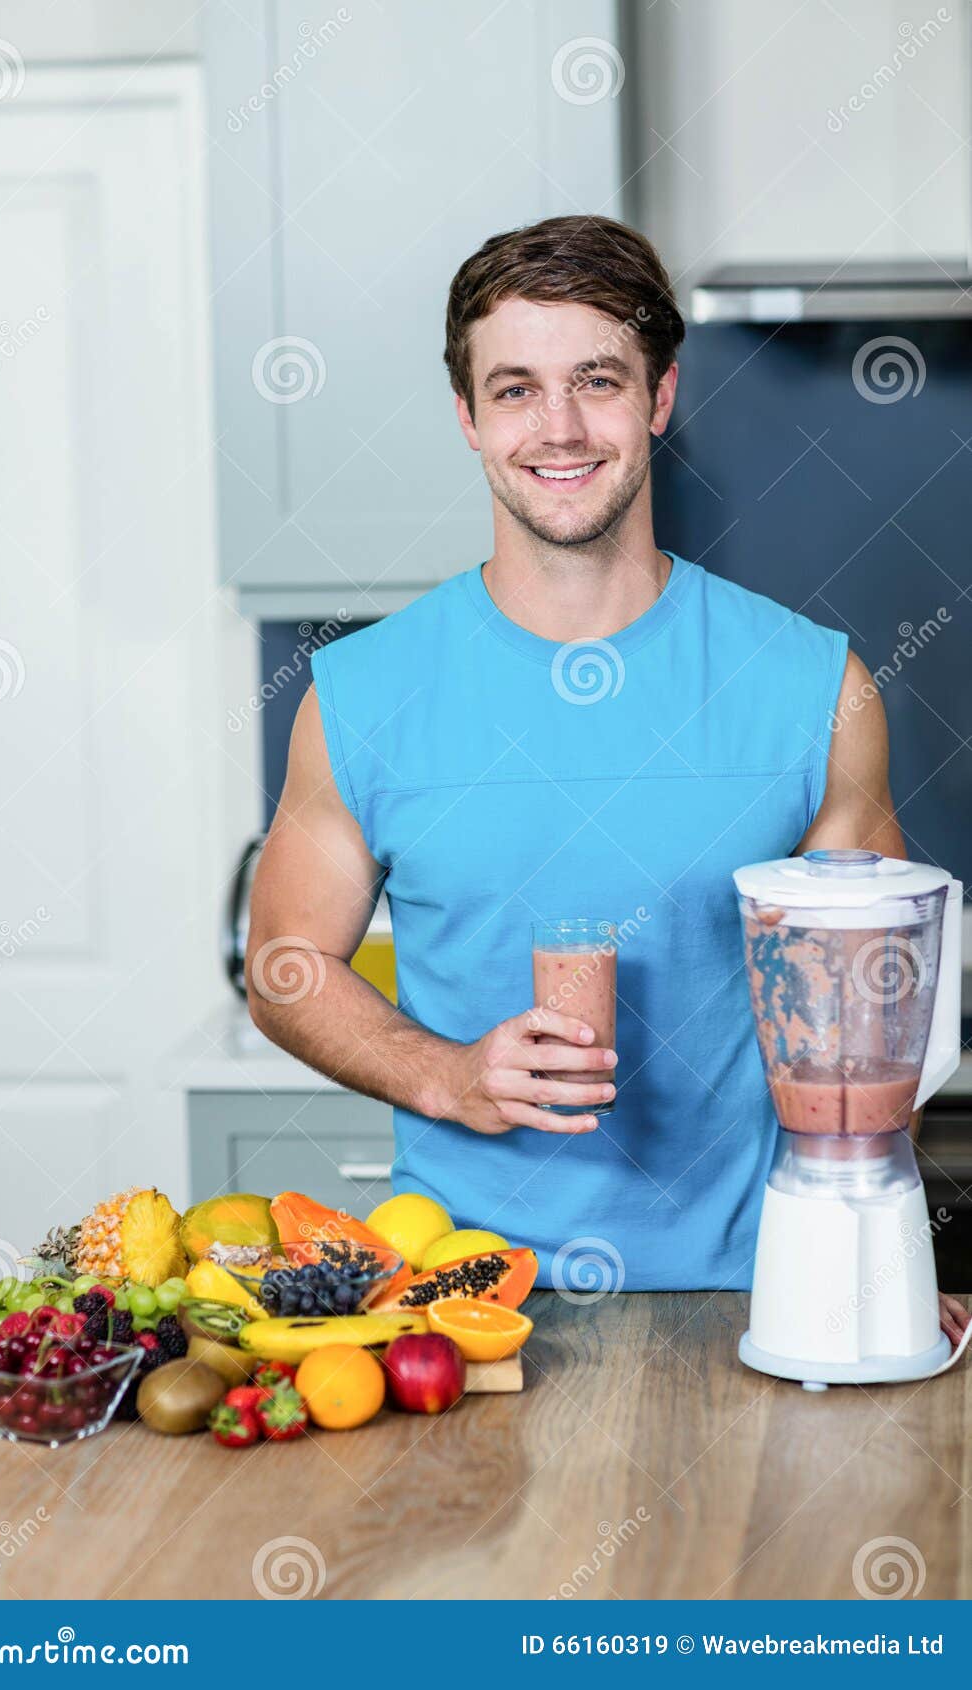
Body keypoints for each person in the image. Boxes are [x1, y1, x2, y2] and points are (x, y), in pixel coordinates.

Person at [246, 214, 968, 1344]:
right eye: (517, 389)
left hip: (761, 1294)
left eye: (596, 380)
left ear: (657, 400)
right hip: (467, 1314)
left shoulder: (812, 685)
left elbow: (873, 1015)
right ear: (468, 420)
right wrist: (443, 1074)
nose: (561, 427)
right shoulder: (358, 694)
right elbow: (284, 966)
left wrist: (874, 1260)